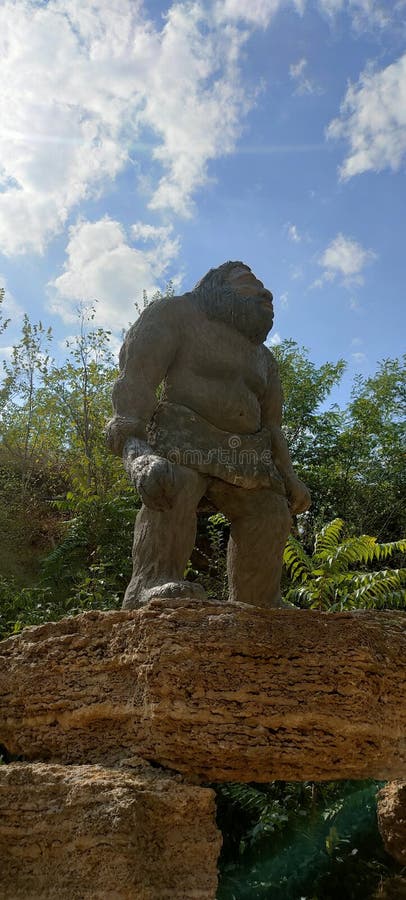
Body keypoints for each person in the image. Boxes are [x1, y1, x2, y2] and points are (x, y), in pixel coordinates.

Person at [107, 261, 310, 608]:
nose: (265, 293)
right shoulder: (174, 314)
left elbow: (272, 424)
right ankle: (151, 582)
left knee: (270, 512)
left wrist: (289, 476)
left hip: (245, 457)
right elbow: (135, 383)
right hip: (182, 440)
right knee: (170, 483)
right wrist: (137, 451)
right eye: (250, 283)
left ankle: (260, 601)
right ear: (217, 285)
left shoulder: (264, 358)